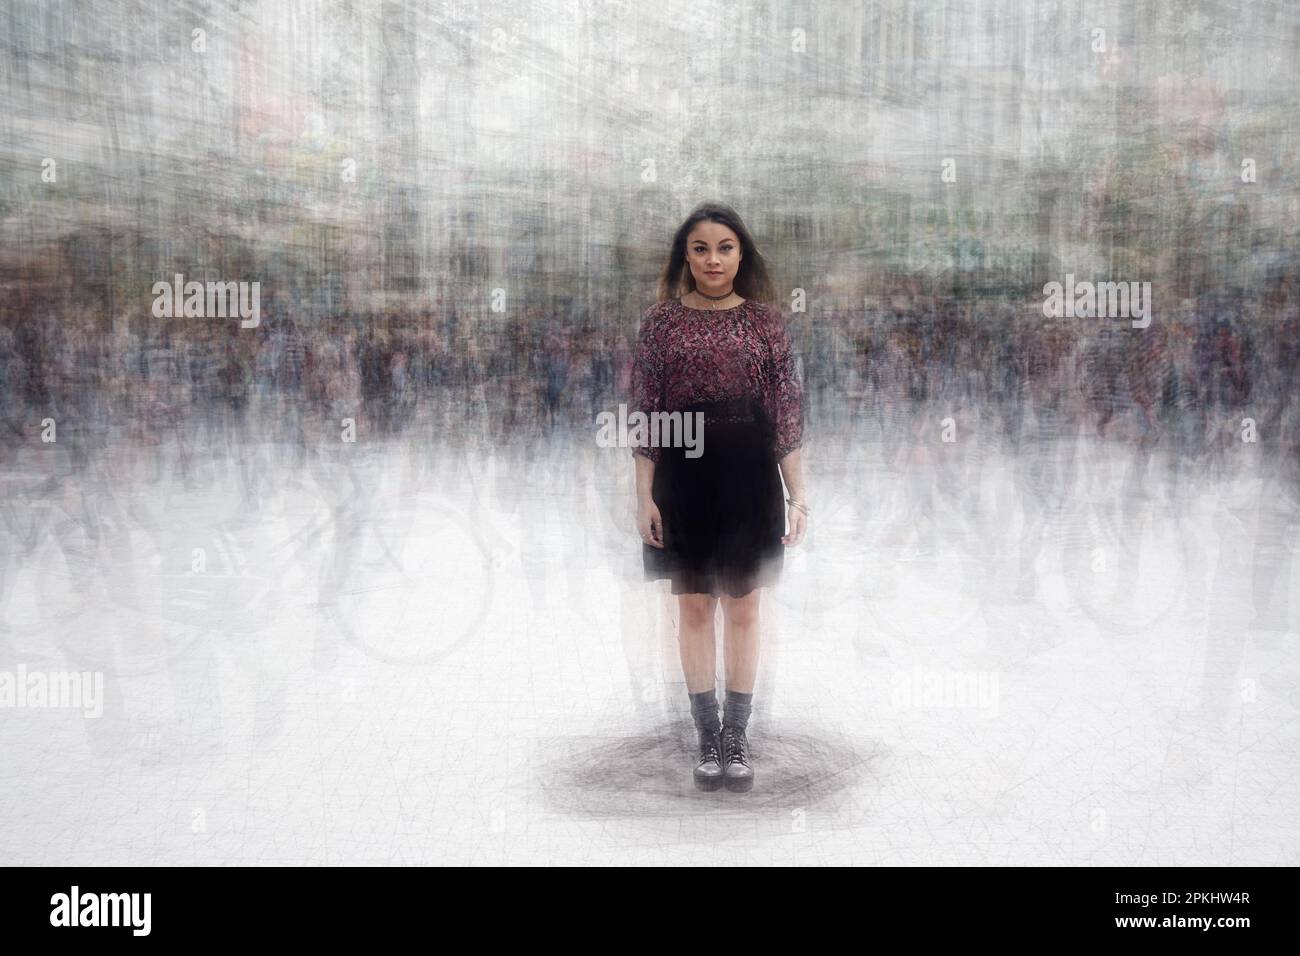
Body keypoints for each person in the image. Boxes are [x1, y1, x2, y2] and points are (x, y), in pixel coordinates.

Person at [629, 201, 807, 792]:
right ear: (686, 255)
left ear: (741, 254)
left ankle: (738, 737)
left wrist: (799, 495)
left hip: (749, 476)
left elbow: (787, 415)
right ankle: (707, 736)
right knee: (694, 607)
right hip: (684, 476)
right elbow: (646, 413)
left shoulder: (765, 324)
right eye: (701, 248)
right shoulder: (660, 324)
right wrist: (643, 496)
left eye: (725, 247)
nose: (713, 259)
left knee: (746, 605)